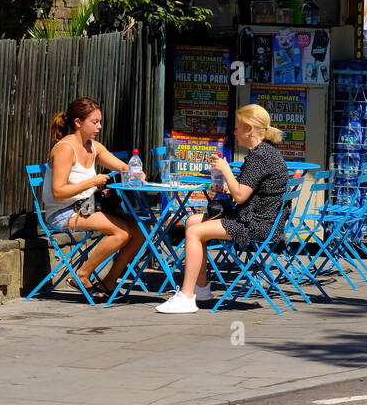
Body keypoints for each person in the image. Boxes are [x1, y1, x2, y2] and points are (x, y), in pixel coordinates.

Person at [155, 103, 288, 315]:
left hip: (255, 225)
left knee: (194, 231)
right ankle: (201, 289)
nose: (234, 132)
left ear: (249, 129)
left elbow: (241, 195)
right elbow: (247, 190)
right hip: (261, 219)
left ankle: (187, 296)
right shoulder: (267, 152)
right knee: (192, 222)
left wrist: (226, 170)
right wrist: (229, 187)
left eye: (237, 127)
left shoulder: (259, 157)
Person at [42, 97, 145, 299]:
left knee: (141, 231)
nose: (99, 126)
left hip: (86, 207)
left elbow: (122, 166)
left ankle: (109, 282)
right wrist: (92, 182)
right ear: (78, 123)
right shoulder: (65, 148)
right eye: (94, 122)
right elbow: (58, 192)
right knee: (122, 233)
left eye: (99, 121)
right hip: (64, 212)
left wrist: (135, 172)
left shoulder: (93, 146)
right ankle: (81, 274)